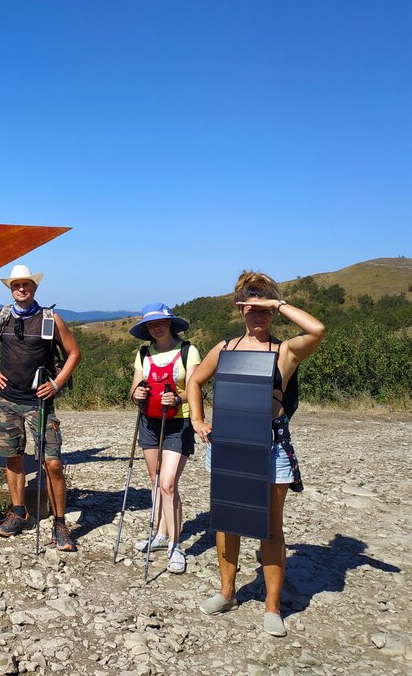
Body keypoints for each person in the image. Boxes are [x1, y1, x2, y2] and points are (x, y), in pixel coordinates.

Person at [187, 271, 325, 637]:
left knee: (270, 529)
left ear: (274, 310)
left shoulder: (285, 351)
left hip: (271, 448)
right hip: (228, 447)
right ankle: (227, 592)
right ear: (240, 309)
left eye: (265, 308)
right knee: (227, 521)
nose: (259, 314)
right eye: (252, 307)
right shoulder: (224, 349)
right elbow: (195, 380)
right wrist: (197, 420)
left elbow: (317, 330)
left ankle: (272, 607)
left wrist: (277, 302)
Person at [0, 263, 82, 551]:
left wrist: (56, 384)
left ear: (35, 287)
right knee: (13, 457)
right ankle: (18, 512)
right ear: (11, 289)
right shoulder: (0, 316)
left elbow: (74, 353)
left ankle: (60, 523)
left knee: (53, 463)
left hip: (40, 402)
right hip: (8, 399)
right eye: (16, 285)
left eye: (26, 284)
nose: (21, 289)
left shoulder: (50, 318)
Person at [128, 303, 201, 574]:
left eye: (160, 322)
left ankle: (175, 544)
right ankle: (160, 533)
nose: (156, 327)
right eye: (151, 324)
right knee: (155, 480)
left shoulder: (188, 351)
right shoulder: (143, 353)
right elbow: (134, 389)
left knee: (168, 483)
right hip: (149, 421)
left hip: (179, 422)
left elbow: (194, 388)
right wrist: (136, 394)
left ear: (169, 323)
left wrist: (178, 398)